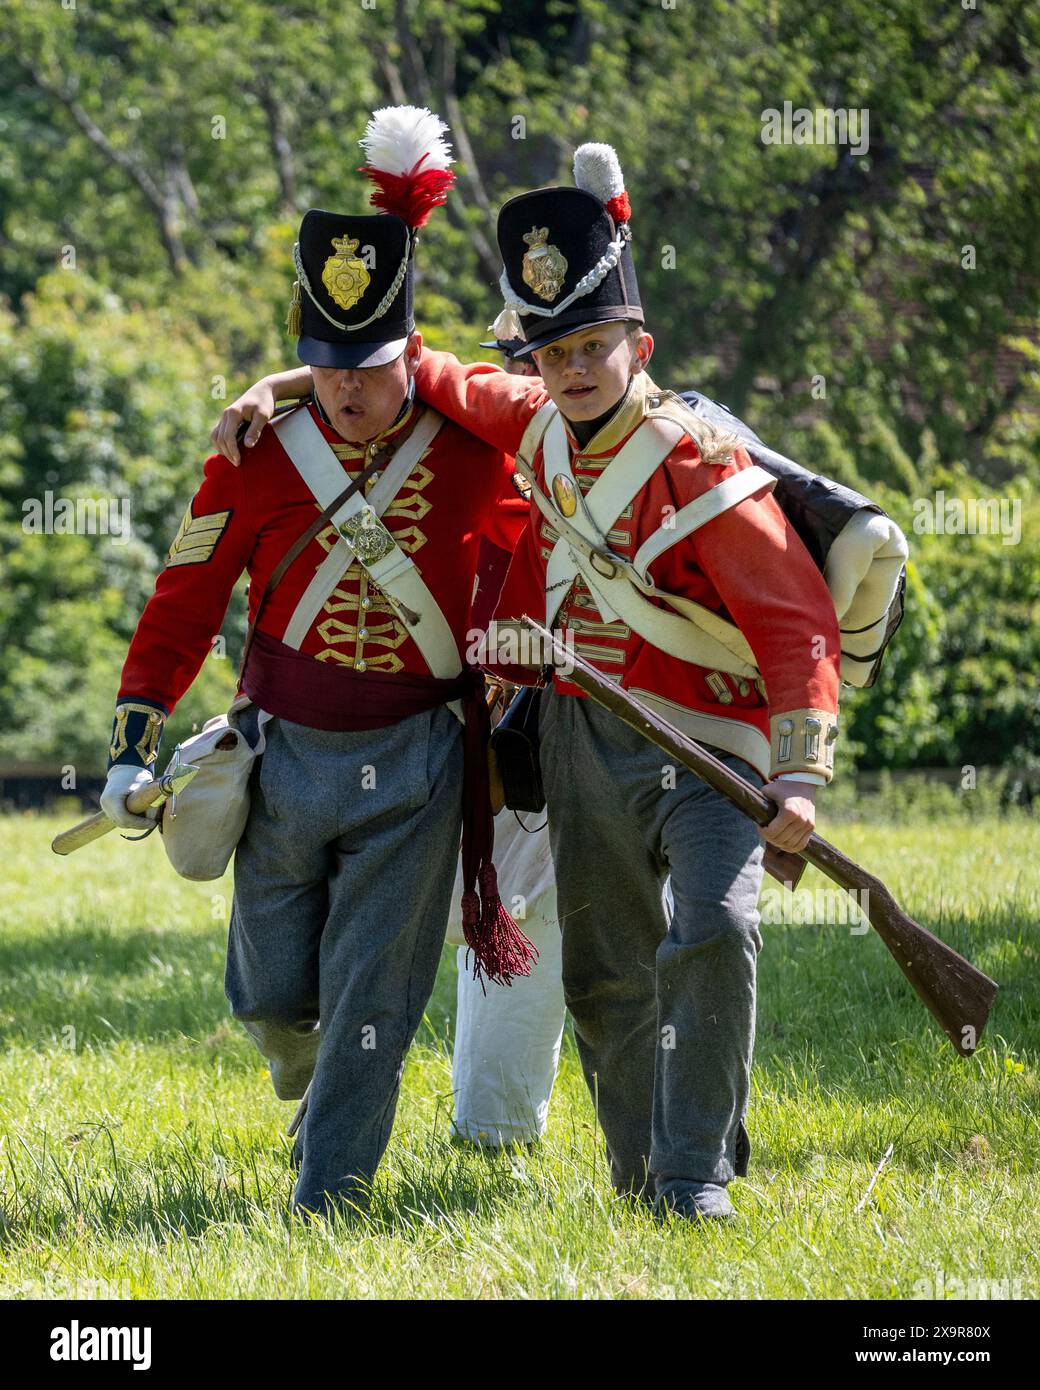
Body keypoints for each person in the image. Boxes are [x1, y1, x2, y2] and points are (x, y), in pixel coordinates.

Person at [211, 142, 842, 1223]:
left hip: (720, 743)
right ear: (535, 365)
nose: (576, 370)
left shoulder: (699, 466)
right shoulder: (534, 423)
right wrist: (279, 381)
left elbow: (793, 623)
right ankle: (646, 1172)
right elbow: (414, 363)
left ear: (636, 345)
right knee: (603, 970)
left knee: (712, 931)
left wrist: (798, 776)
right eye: (554, 354)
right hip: (587, 733)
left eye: (595, 345)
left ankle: (691, 1173)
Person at [99, 106, 534, 1218]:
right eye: (323, 366)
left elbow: (551, 486)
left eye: (371, 366)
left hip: (423, 752)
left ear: (412, 352)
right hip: (283, 748)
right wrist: (134, 731)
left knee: (372, 996)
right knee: (273, 986)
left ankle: (326, 1199)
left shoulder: (473, 444)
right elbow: (184, 598)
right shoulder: (255, 450)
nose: (345, 388)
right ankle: (298, 1065)